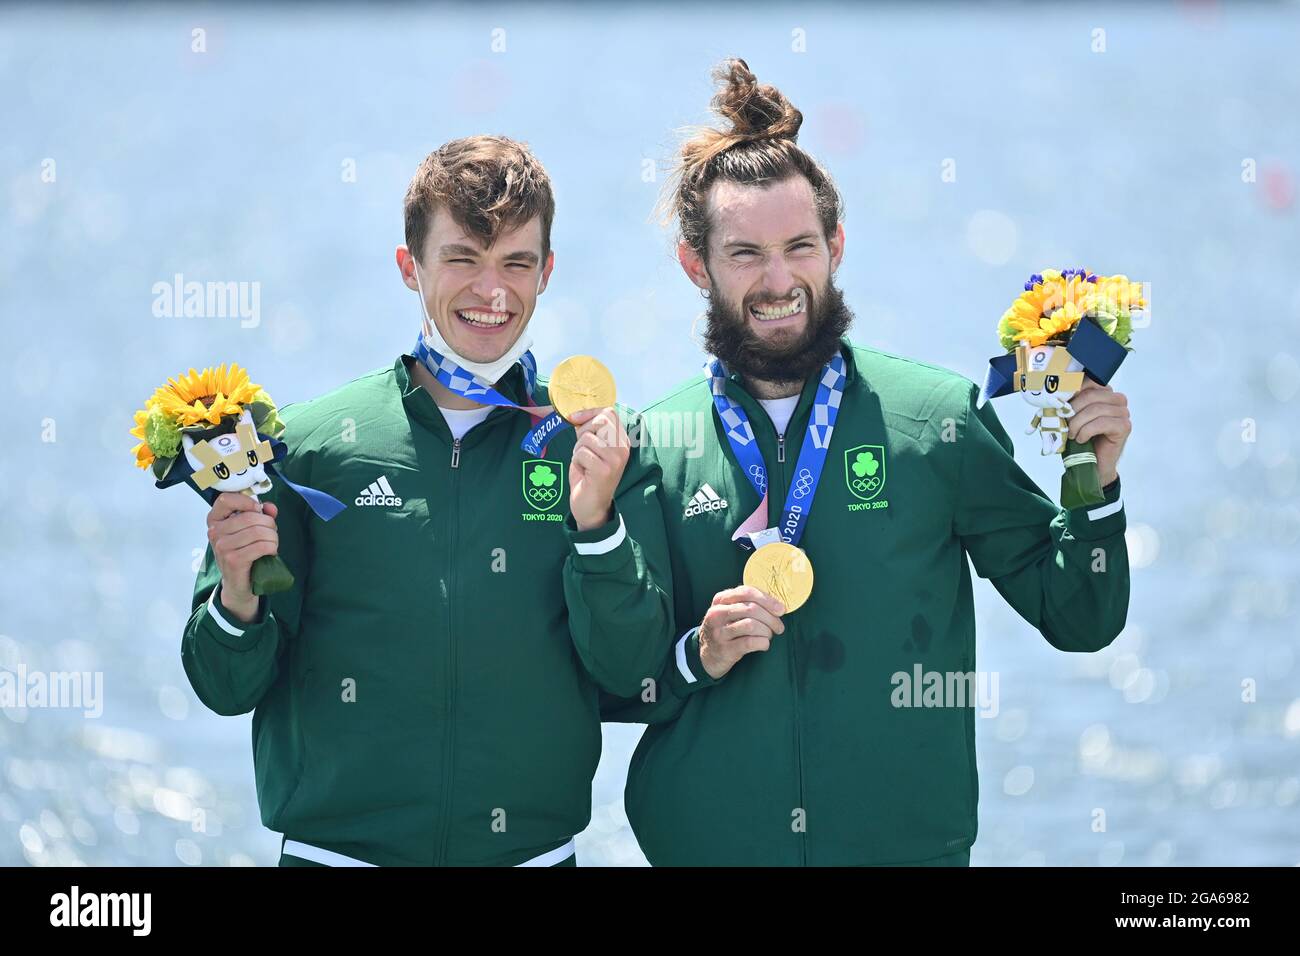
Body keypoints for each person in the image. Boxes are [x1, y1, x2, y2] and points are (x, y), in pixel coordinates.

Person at [565, 60, 1134, 866]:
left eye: (800, 246)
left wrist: (1093, 482)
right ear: (697, 266)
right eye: (745, 253)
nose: (777, 280)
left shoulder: (936, 420)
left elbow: (1081, 619)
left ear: (835, 245)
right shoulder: (651, 445)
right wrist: (700, 652)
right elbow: (619, 680)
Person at [181, 135, 660, 866]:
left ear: (548, 271)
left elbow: (633, 672)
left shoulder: (598, 448)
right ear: (410, 266)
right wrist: (238, 601)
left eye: (516, 262)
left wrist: (597, 529)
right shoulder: (305, 448)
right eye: (463, 257)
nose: (491, 290)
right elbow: (223, 686)